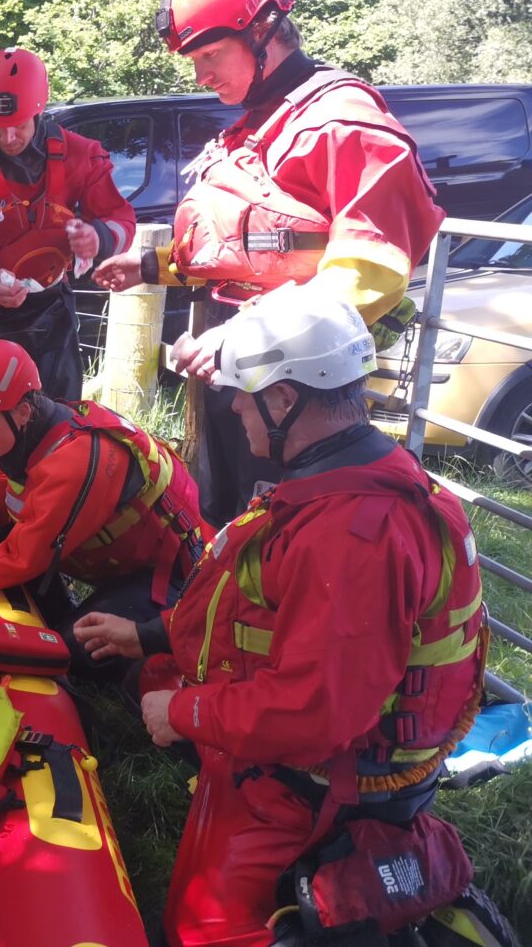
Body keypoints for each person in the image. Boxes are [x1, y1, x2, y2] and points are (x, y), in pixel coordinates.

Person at [74, 285, 485, 947]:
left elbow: (314, 714)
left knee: (201, 928)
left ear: (286, 398)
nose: (234, 405)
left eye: (244, 391)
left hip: (319, 798)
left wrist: (182, 712)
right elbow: (256, 619)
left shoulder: (353, 536)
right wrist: (148, 637)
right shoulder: (357, 482)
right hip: (307, 768)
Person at [93, 0, 444, 524]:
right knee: (224, 517)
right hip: (236, 368)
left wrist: (247, 337)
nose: (201, 75)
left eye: (210, 54)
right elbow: (252, 246)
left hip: (296, 393)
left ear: (263, 30)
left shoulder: (339, 121)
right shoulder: (264, 122)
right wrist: (153, 268)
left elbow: (372, 269)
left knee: (279, 531)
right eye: (192, 60)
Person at [0, 339, 207, 680]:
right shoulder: (21, 435)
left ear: (23, 413)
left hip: (170, 578)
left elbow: (19, 558)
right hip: (113, 564)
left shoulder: (71, 463)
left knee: (73, 649)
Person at [0, 45, 136, 481]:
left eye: (17, 125)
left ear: (38, 109)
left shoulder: (79, 154)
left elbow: (122, 219)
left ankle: (57, 507)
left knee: (61, 424)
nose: (8, 137)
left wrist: (99, 237)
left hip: (51, 313)